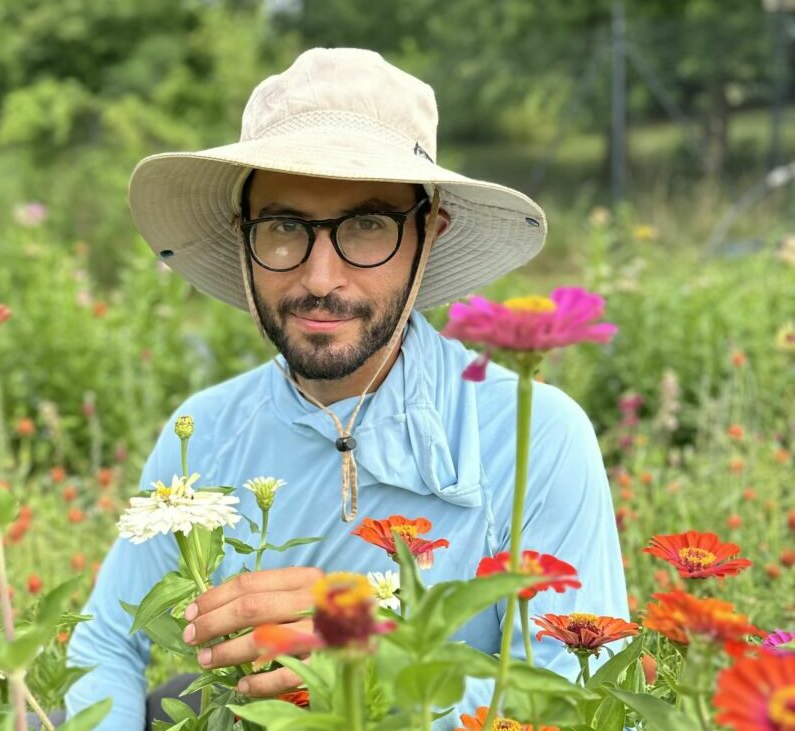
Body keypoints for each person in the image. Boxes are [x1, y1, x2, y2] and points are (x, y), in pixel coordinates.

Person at [60, 47, 628, 730]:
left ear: (428, 232)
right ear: (242, 236)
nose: (321, 278)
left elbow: (580, 702)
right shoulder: (204, 430)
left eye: (366, 224)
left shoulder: (530, 432)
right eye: (283, 227)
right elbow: (105, 642)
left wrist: (368, 672)